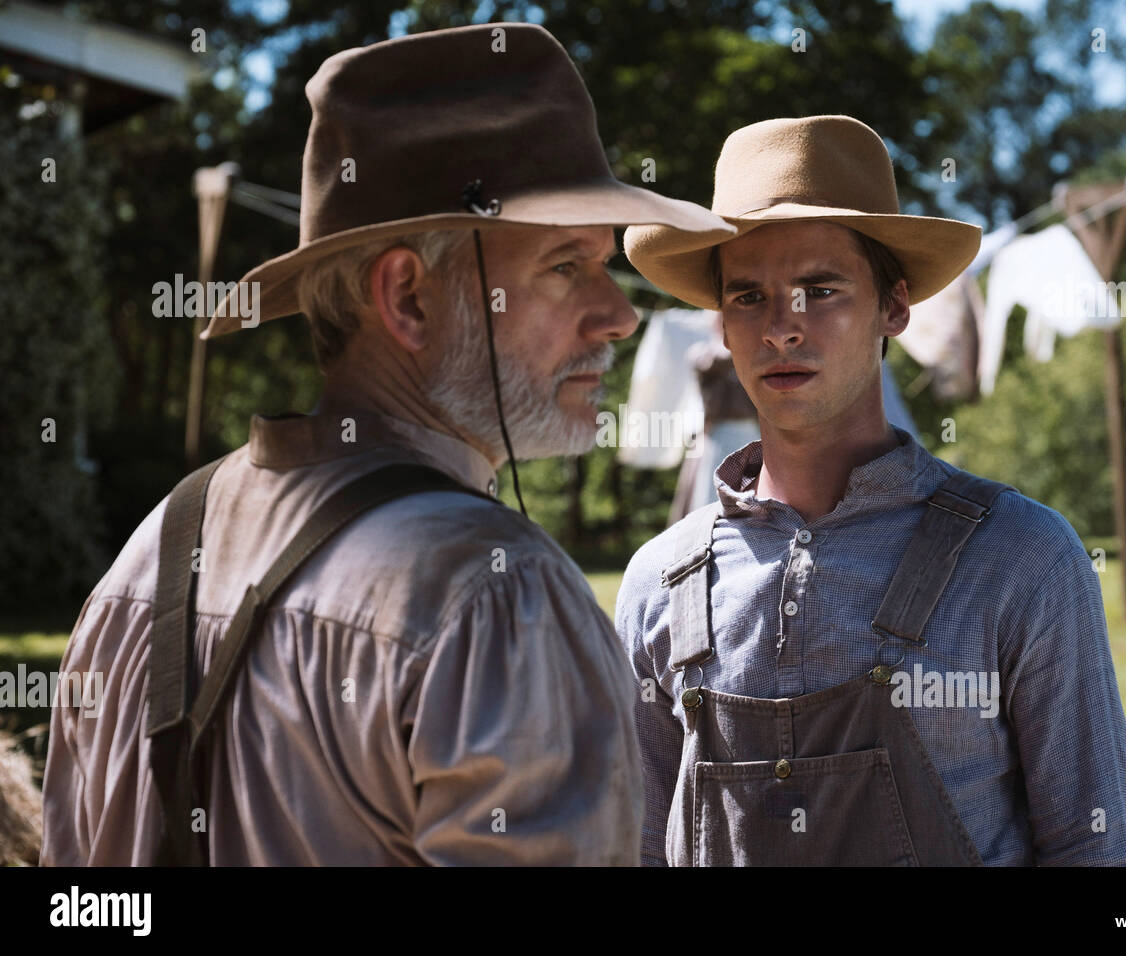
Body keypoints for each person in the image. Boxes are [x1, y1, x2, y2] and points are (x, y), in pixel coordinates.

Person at [39, 23, 732, 866]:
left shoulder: (147, 556)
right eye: (564, 265)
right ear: (407, 295)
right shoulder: (496, 594)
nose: (618, 314)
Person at [616, 115, 1126, 866]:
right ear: (719, 326)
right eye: (748, 297)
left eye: (819, 290)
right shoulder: (658, 583)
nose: (782, 329)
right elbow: (638, 848)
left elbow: (1092, 847)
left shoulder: (1023, 559)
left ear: (894, 307)